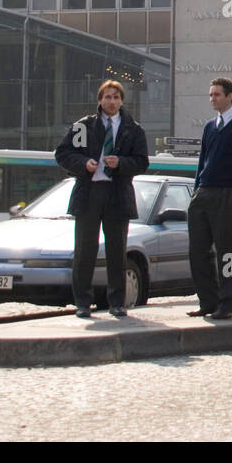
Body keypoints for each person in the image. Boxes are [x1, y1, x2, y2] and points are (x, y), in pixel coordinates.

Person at [55, 80, 149, 318]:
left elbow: (142, 162)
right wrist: (83, 164)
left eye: (116, 97)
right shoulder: (84, 126)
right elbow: (64, 154)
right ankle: (83, 303)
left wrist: (121, 163)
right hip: (89, 193)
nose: (112, 102)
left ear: (122, 101)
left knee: (117, 251)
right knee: (84, 250)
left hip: (117, 194)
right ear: (99, 100)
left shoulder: (132, 128)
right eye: (107, 97)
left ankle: (116, 301)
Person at [186, 77, 232, 320]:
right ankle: (208, 300)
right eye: (210, 95)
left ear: (230, 96)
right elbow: (202, 161)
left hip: (227, 194)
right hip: (204, 193)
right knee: (198, 250)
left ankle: (228, 302)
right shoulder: (209, 126)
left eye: (217, 94)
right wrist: (197, 187)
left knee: (228, 251)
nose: (212, 99)